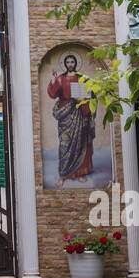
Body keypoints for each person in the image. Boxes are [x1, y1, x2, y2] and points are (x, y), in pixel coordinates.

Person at [47, 54, 93, 185]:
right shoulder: (60, 79)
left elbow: (89, 94)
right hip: (65, 114)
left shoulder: (82, 78)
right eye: (68, 62)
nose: (70, 64)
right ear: (65, 64)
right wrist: (53, 80)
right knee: (64, 145)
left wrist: (85, 97)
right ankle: (63, 175)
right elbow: (52, 94)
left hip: (80, 112)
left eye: (72, 61)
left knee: (80, 143)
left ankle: (80, 173)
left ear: (76, 63)